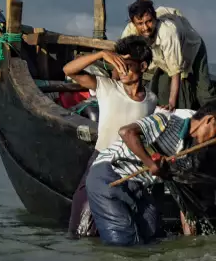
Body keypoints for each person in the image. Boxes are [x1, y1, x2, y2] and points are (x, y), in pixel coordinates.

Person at [63, 36, 157, 238]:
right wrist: (101, 54)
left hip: (131, 167)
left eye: (127, 65)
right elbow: (68, 70)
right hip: (100, 162)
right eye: (119, 64)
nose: (121, 70)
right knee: (81, 230)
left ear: (143, 66)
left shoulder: (151, 100)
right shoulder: (107, 87)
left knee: (133, 228)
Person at [86, 102, 216, 246]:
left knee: (154, 237)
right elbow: (126, 132)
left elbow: (182, 192)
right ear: (210, 121)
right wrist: (150, 163)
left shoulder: (190, 152)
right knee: (125, 243)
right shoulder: (167, 121)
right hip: (108, 174)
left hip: (138, 184)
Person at [122, 0, 215, 111]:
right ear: (133, 23)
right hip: (164, 56)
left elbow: (175, 72)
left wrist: (171, 104)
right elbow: (121, 57)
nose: (145, 27)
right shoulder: (130, 31)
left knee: (204, 91)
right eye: (140, 24)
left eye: (149, 21)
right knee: (162, 90)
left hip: (192, 49)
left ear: (155, 18)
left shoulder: (167, 32)